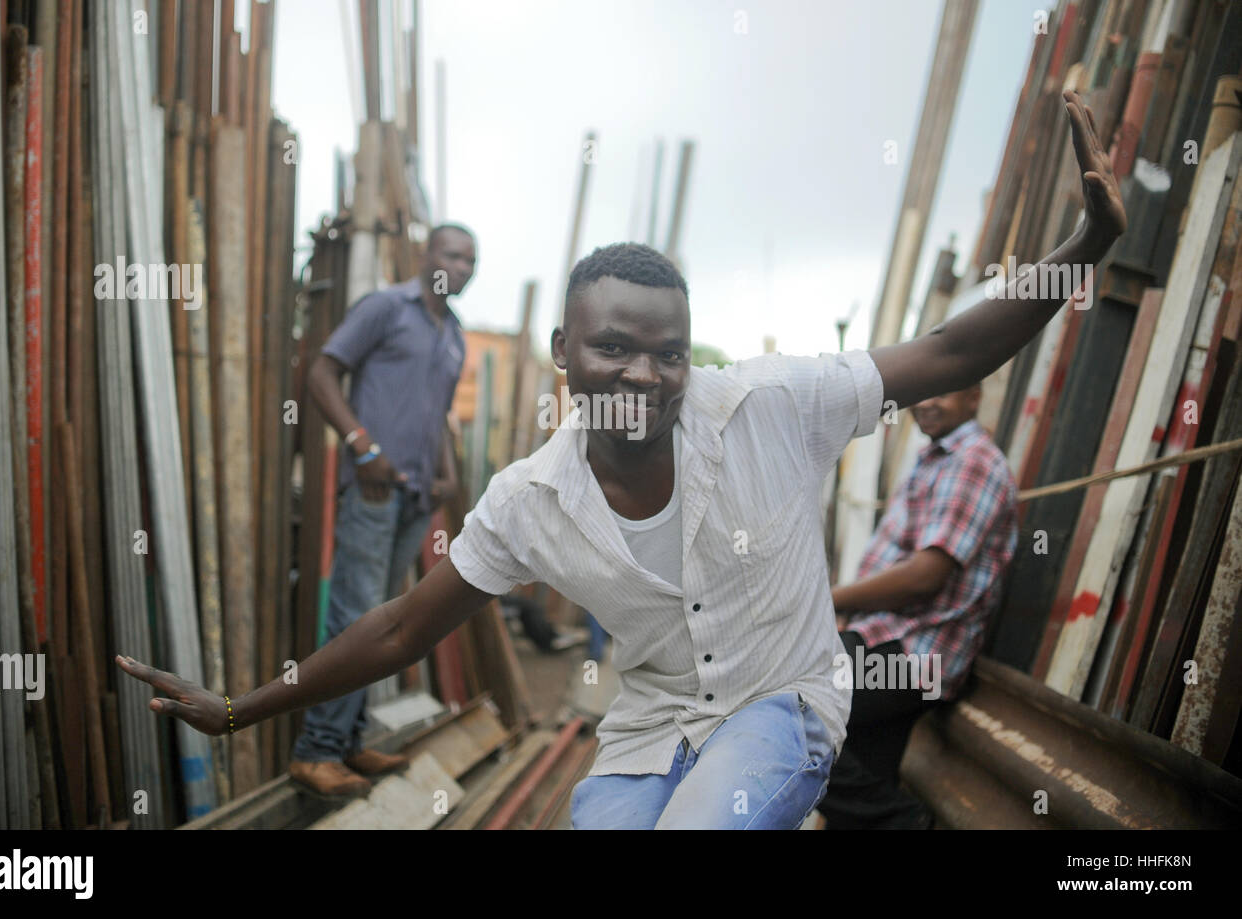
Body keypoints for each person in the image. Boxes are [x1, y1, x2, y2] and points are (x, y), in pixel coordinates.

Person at [117, 91, 1124, 828]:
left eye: (668, 352)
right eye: (612, 347)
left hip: (783, 702)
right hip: (651, 725)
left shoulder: (769, 405)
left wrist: (1084, 242)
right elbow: (393, 628)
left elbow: (949, 350)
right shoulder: (530, 502)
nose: (644, 373)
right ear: (563, 352)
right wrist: (241, 705)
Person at [288, 223, 477, 798]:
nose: (462, 266)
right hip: (373, 489)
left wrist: (446, 474)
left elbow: (439, 415)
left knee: (383, 623)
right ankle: (315, 752)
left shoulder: (455, 334)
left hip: (416, 498)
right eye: (452, 254)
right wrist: (362, 448)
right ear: (425, 255)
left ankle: (347, 743)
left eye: (472, 259)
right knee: (355, 616)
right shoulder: (386, 307)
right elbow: (321, 373)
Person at [818, 383, 1017, 829]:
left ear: (975, 395)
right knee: (861, 770)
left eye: (943, 393)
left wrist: (826, 599)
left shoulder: (972, 462)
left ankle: (905, 823)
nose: (926, 402)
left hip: (918, 658)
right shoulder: (933, 461)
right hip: (885, 640)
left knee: (789, 707)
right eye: (921, 392)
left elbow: (925, 576)